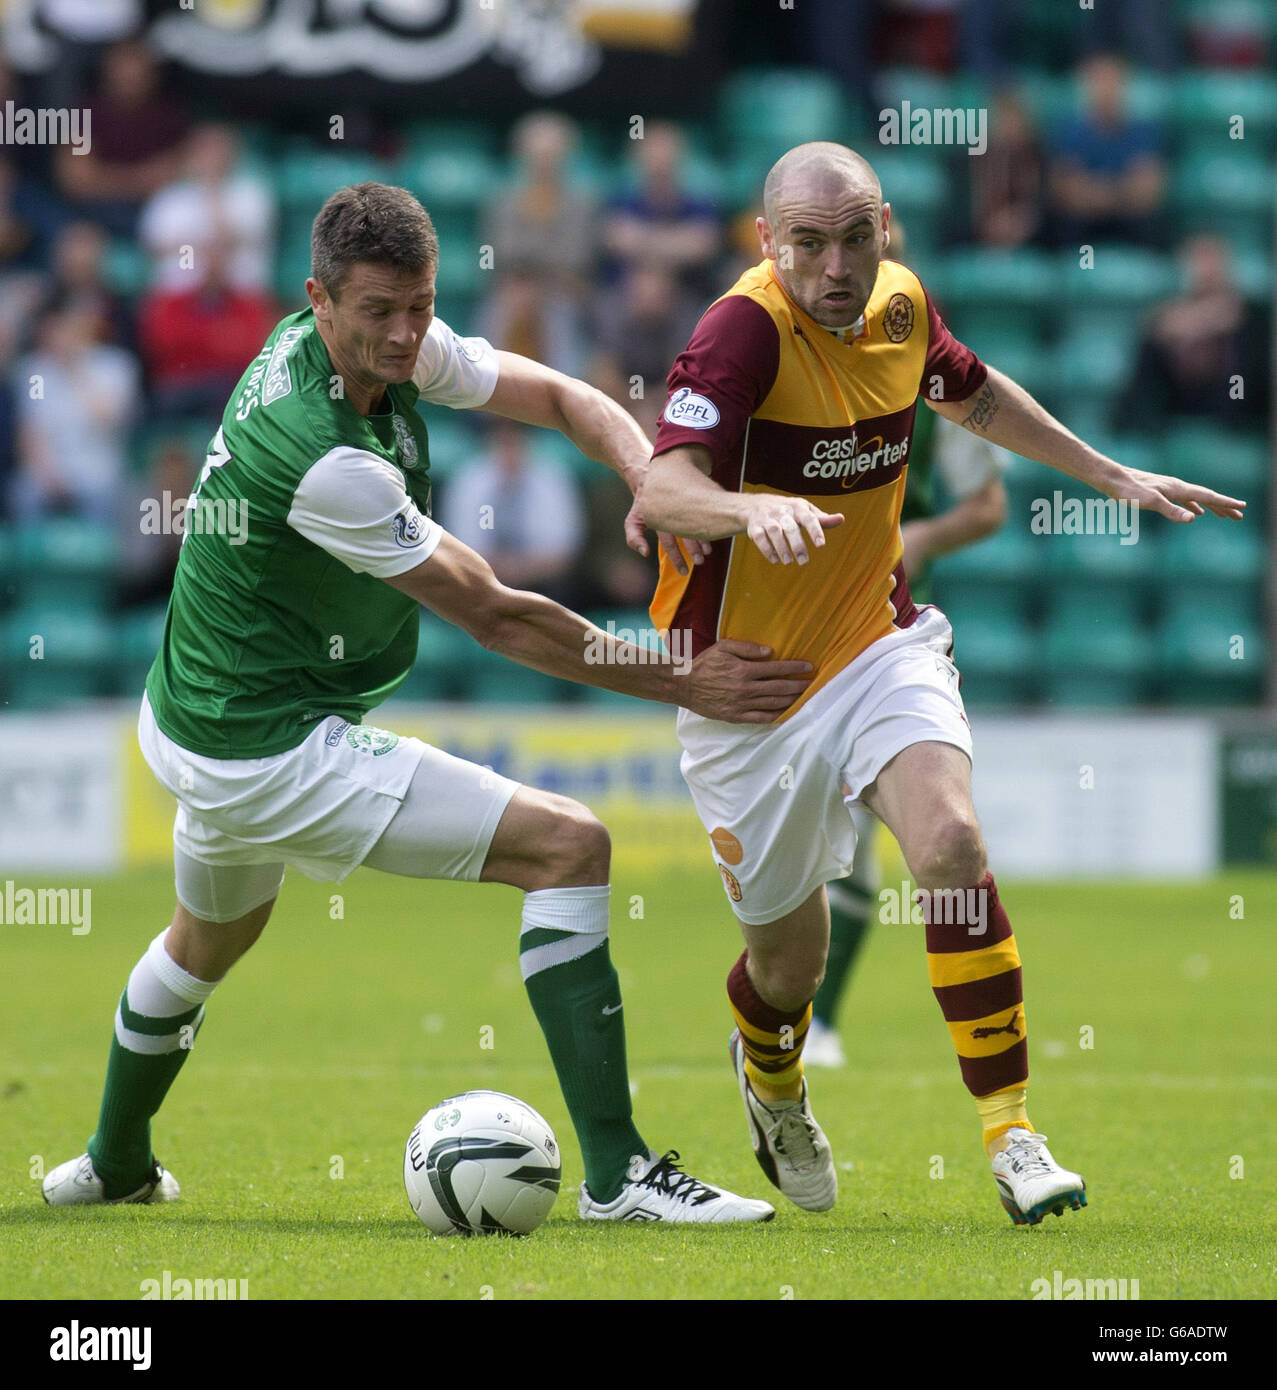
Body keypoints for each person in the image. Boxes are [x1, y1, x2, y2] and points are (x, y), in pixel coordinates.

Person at [40, 182, 812, 1225]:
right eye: (381, 313)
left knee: (203, 941)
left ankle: (113, 1160)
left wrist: (648, 476)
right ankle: (618, 1173)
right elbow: (497, 617)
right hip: (262, 744)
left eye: (422, 305)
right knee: (570, 846)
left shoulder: (371, 344)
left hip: (196, 711)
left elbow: (564, 399)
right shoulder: (320, 455)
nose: (408, 334)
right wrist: (685, 675)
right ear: (318, 298)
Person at [635, 141, 1244, 1224]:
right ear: (768, 244)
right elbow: (662, 484)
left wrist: (1105, 470)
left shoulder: (901, 306)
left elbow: (966, 391)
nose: (834, 265)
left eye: (854, 238)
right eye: (807, 244)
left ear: (883, 230)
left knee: (950, 846)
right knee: (785, 967)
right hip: (749, 691)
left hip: (877, 642)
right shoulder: (741, 328)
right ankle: (769, 1074)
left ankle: (1010, 1133)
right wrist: (744, 509)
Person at [807, 411, 1009, 1067]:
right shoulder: (777, 358)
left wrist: (921, 534)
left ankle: (819, 1022)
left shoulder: (941, 397)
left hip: (888, 637)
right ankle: (785, 1019)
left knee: (865, 833)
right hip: (789, 622)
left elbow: (987, 507)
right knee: (793, 839)